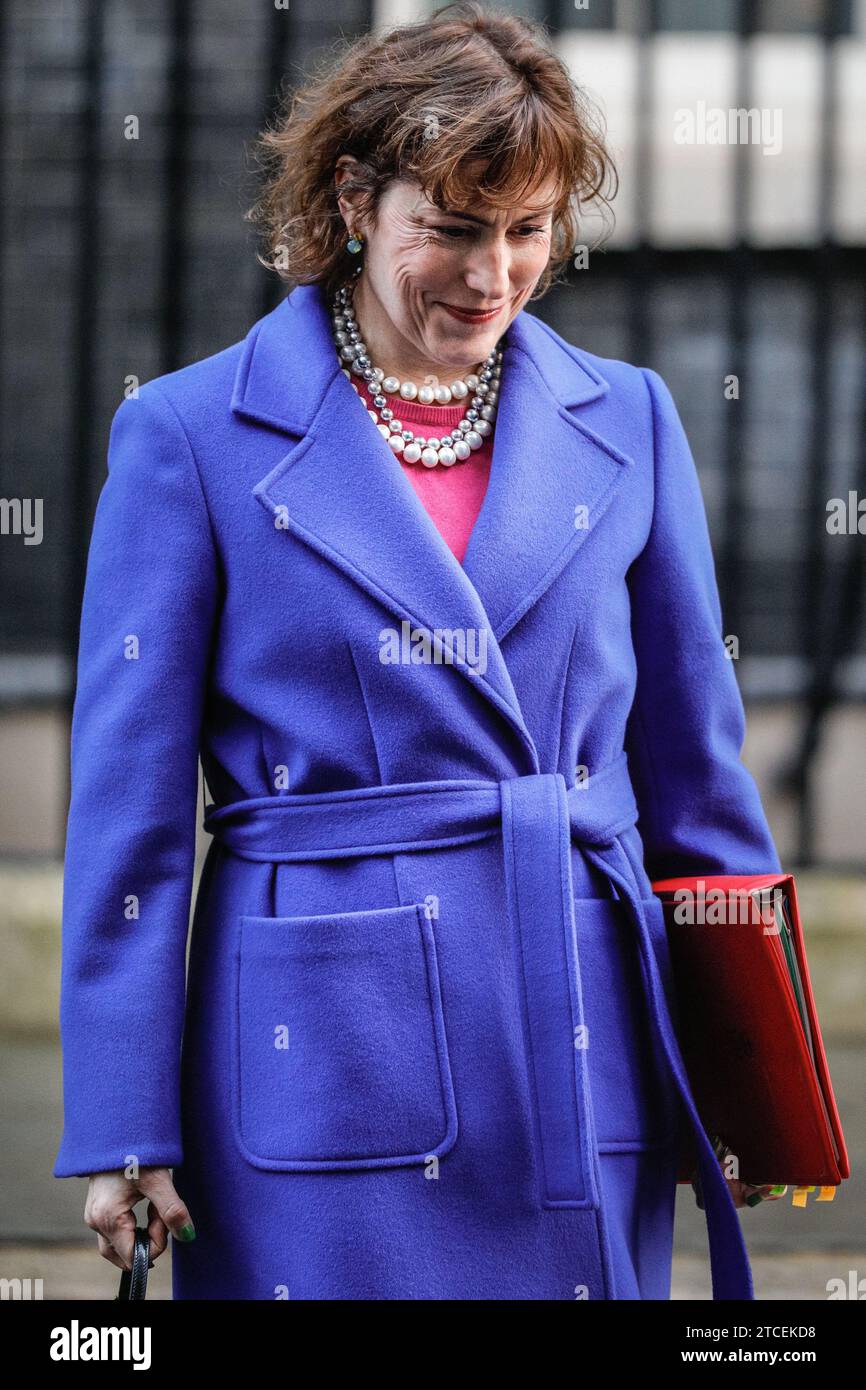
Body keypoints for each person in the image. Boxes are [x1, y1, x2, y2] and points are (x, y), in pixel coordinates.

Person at [54, 1, 784, 1301]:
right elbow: (132, 813)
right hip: (317, 1040)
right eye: (449, 228)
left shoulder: (631, 420)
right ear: (352, 200)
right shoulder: (190, 435)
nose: (492, 274)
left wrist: (749, 1071)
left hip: (579, 1019)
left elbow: (696, 776)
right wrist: (121, 1119)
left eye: (526, 231)